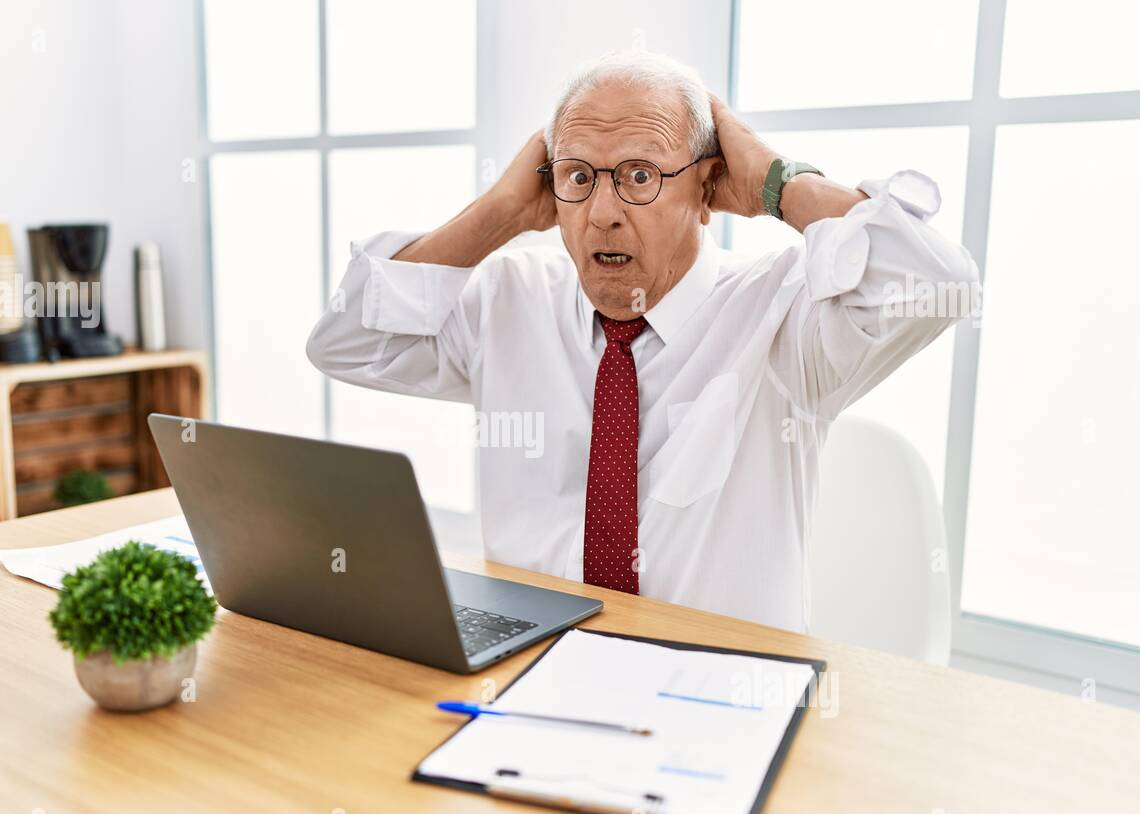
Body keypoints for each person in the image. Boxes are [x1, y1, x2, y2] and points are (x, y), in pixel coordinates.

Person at [306, 50, 979, 633]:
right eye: (577, 177)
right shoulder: (508, 302)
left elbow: (934, 281)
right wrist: (503, 211)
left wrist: (780, 183)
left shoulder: (782, 315)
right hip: (527, 675)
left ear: (709, 185)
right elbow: (344, 340)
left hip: (721, 694)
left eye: (639, 176)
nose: (602, 215)